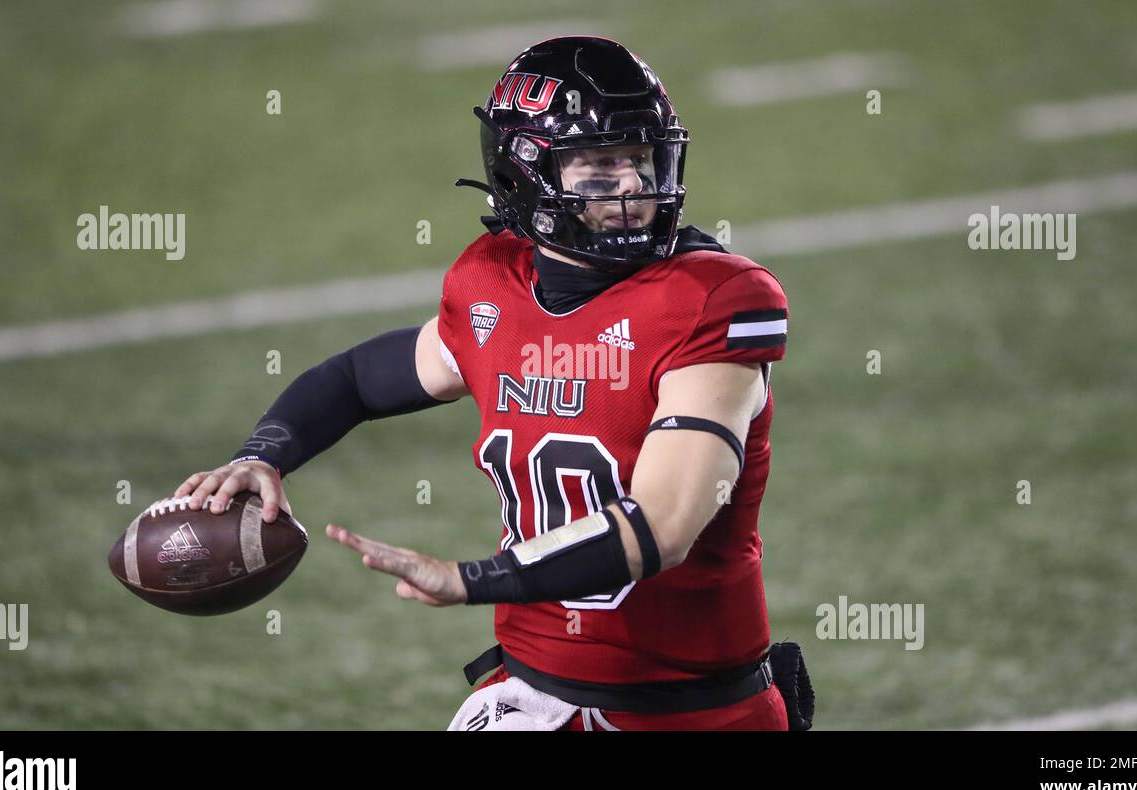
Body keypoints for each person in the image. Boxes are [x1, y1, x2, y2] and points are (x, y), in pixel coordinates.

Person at [174, 36, 811, 731]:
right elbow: (357, 378)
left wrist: (468, 578)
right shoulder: (493, 288)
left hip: (696, 712)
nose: (631, 184)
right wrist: (263, 452)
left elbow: (661, 528)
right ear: (526, 175)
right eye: (599, 164)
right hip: (531, 696)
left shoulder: (713, 299)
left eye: (640, 157)